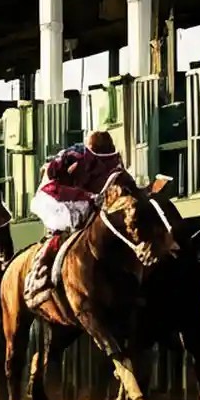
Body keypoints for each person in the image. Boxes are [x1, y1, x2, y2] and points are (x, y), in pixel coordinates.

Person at [26, 131, 123, 305]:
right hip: (55, 196)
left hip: (88, 198)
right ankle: (40, 276)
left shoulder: (114, 161)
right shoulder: (73, 157)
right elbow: (53, 181)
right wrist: (84, 194)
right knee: (70, 225)